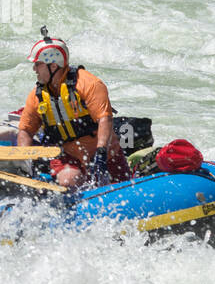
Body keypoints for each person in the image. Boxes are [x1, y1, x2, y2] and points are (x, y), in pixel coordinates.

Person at [15, 29, 132, 189]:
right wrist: (24, 162)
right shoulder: (37, 96)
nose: (34, 69)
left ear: (53, 65)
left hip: (103, 153)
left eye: (37, 64)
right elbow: (26, 131)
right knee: (68, 181)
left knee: (122, 187)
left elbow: (104, 118)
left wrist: (101, 153)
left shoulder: (89, 84)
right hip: (67, 156)